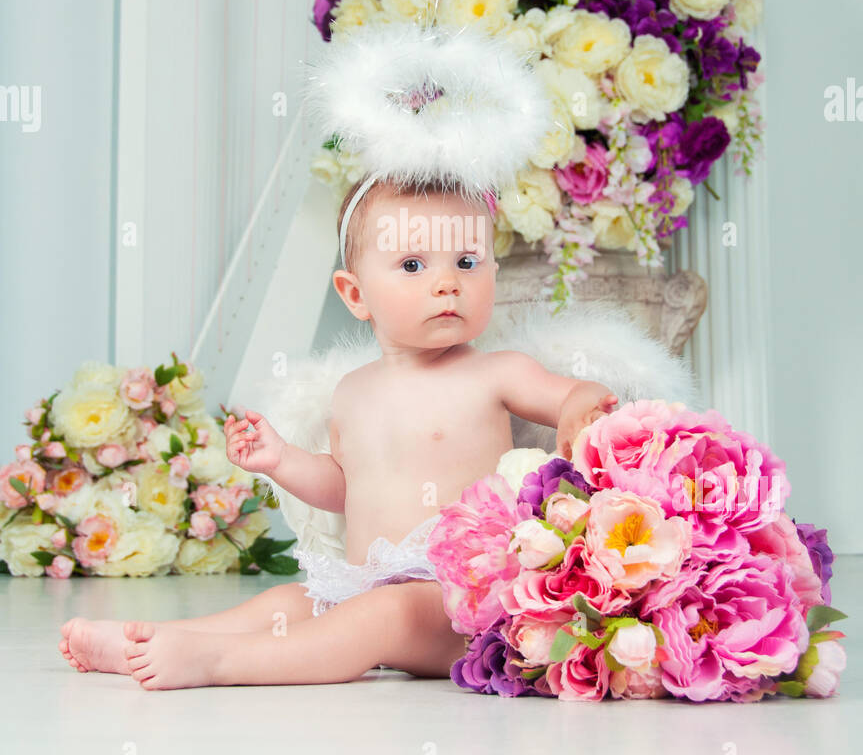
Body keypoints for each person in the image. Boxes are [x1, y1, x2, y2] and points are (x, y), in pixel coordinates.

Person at [58, 175, 617, 690]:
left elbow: (579, 392)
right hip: (363, 583)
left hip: (458, 599)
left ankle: (217, 663)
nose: (448, 283)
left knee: (383, 616)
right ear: (355, 294)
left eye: (468, 261)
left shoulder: (498, 371)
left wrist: (574, 413)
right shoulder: (351, 390)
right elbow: (345, 488)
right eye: (414, 266)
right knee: (286, 601)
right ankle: (152, 636)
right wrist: (281, 460)